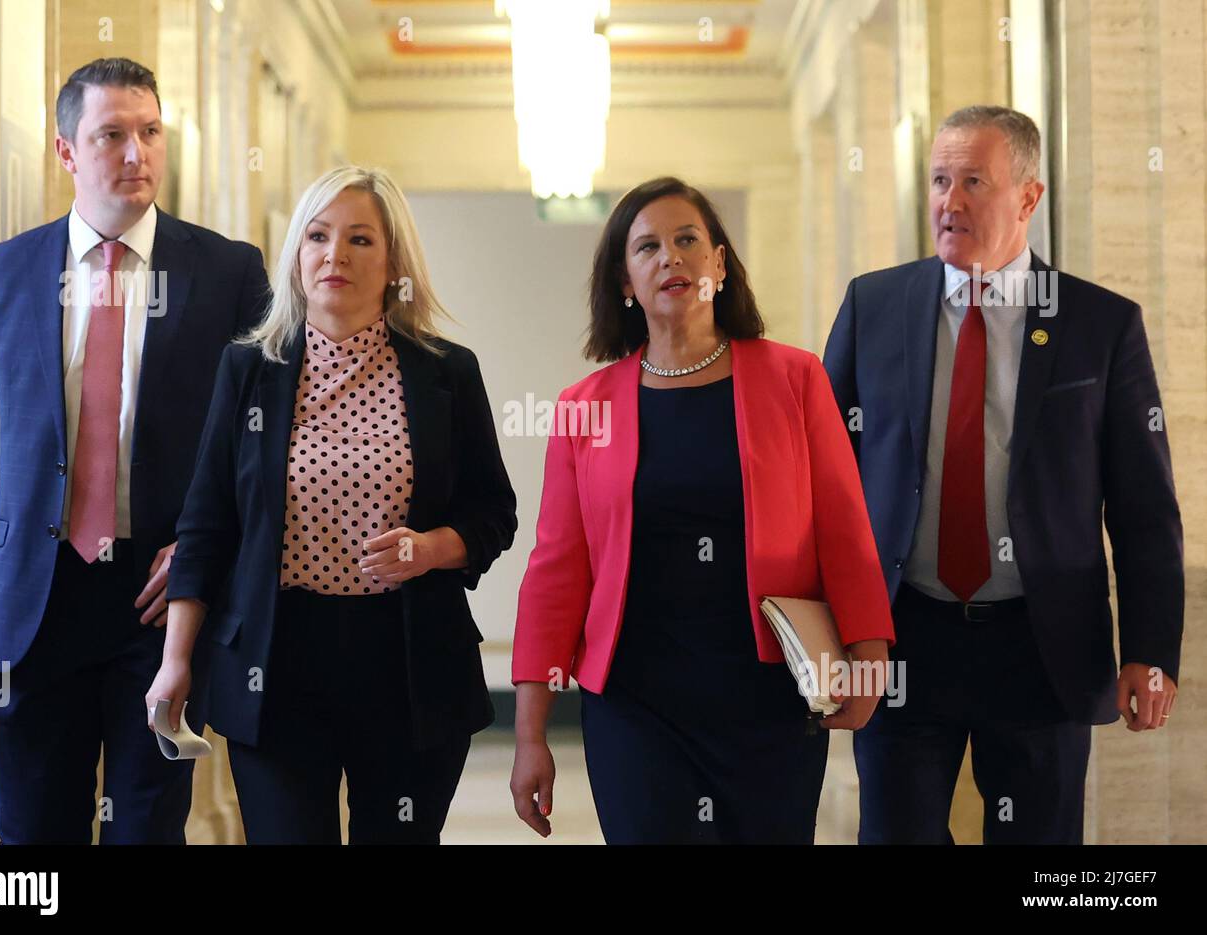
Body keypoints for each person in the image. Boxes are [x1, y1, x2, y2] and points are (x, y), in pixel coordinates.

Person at [0, 57, 270, 843]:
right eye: (111, 135)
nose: (137, 153)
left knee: (147, 828)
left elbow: (263, 447)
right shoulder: (0, 274)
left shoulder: (228, 273)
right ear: (66, 151)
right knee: (32, 837)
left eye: (150, 132)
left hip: (163, 604)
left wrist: (204, 551)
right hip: (31, 606)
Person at [823, 105, 1184, 844]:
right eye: (939, 181)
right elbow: (822, 475)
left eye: (973, 183)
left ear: (1028, 197)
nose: (949, 203)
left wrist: (1150, 649)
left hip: (1039, 644)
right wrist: (824, 629)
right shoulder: (876, 305)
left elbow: (1145, 508)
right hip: (901, 636)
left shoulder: (1098, 323)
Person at [509, 177, 895, 844]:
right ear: (625, 280)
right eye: (649, 246)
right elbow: (557, 570)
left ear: (719, 263)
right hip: (634, 705)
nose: (671, 258)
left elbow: (844, 528)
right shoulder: (585, 406)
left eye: (688, 240)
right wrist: (529, 731)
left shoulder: (795, 379)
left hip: (767, 695)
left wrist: (866, 656)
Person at [147, 165, 517, 844]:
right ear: (296, 253)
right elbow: (206, 524)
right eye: (317, 236)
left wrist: (431, 547)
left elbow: (494, 511)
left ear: (395, 260)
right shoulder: (247, 370)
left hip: (409, 663)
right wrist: (176, 658)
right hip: (277, 663)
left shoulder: (446, 372)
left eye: (360, 240)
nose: (335, 255)